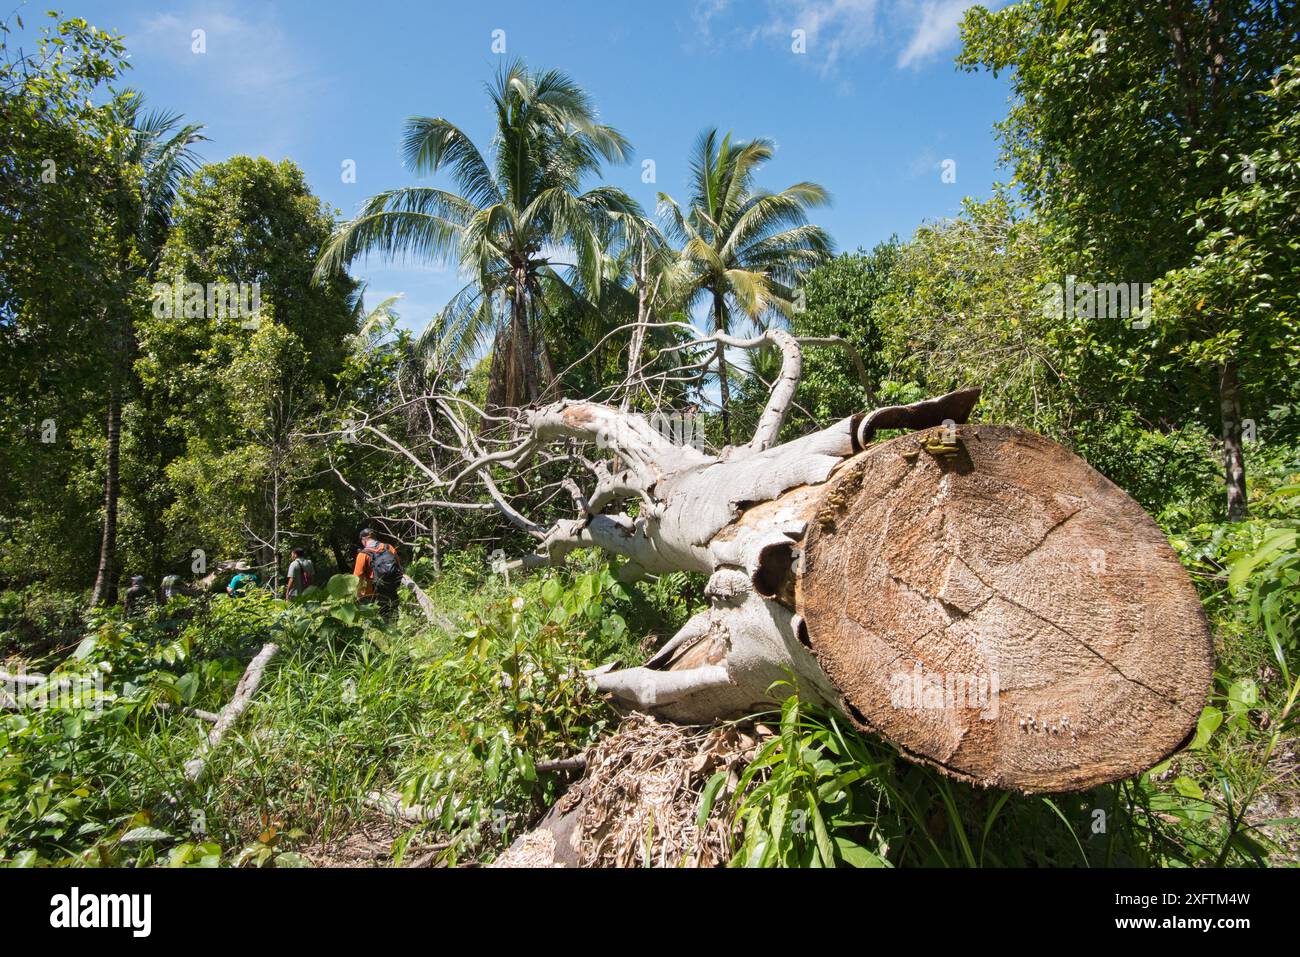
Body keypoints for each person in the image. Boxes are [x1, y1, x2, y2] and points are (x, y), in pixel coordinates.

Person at [352, 528, 402, 612]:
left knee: (373, 619)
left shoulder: (363, 554)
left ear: (364, 540)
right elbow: (399, 566)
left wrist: (358, 595)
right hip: (391, 588)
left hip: (372, 593)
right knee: (392, 614)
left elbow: (357, 577)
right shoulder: (389, 547)